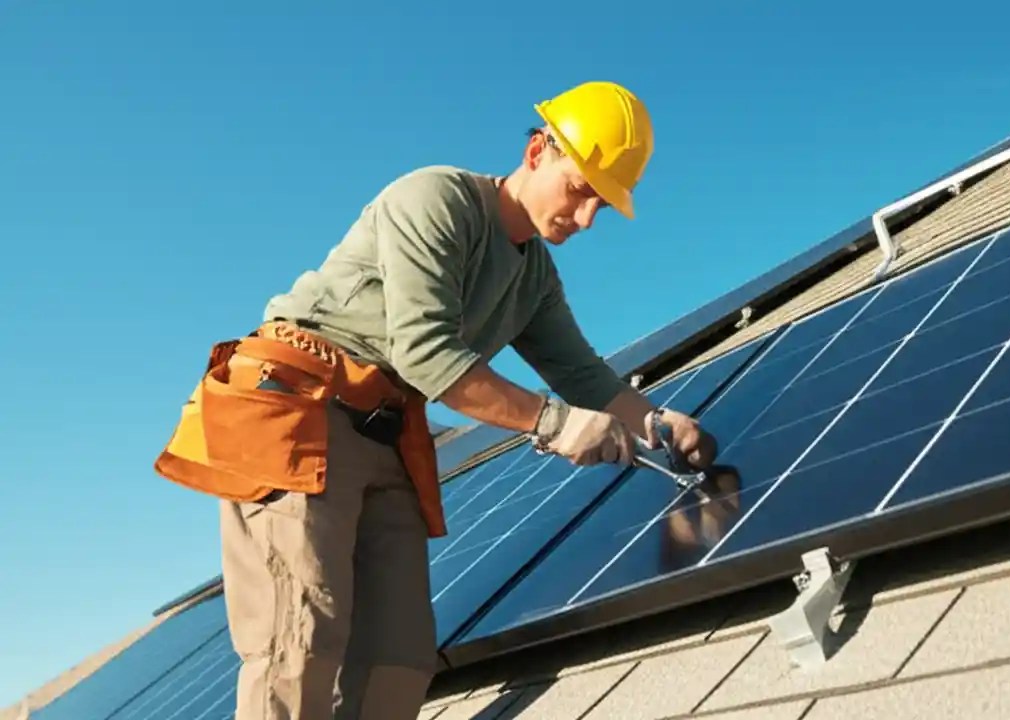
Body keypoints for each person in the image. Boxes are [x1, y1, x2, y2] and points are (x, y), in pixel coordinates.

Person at [152, 79, 718, 720]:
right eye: (581, 190)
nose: (586, 218)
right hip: (299, 408)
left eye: (603, 207)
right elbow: (426, 354)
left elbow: (582, 373)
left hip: (386, 431)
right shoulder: (437, 199)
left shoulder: (533, 277)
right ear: (538, 152)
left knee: (400, 656)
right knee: (302, 641)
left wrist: (658, 419)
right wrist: (553, 425)